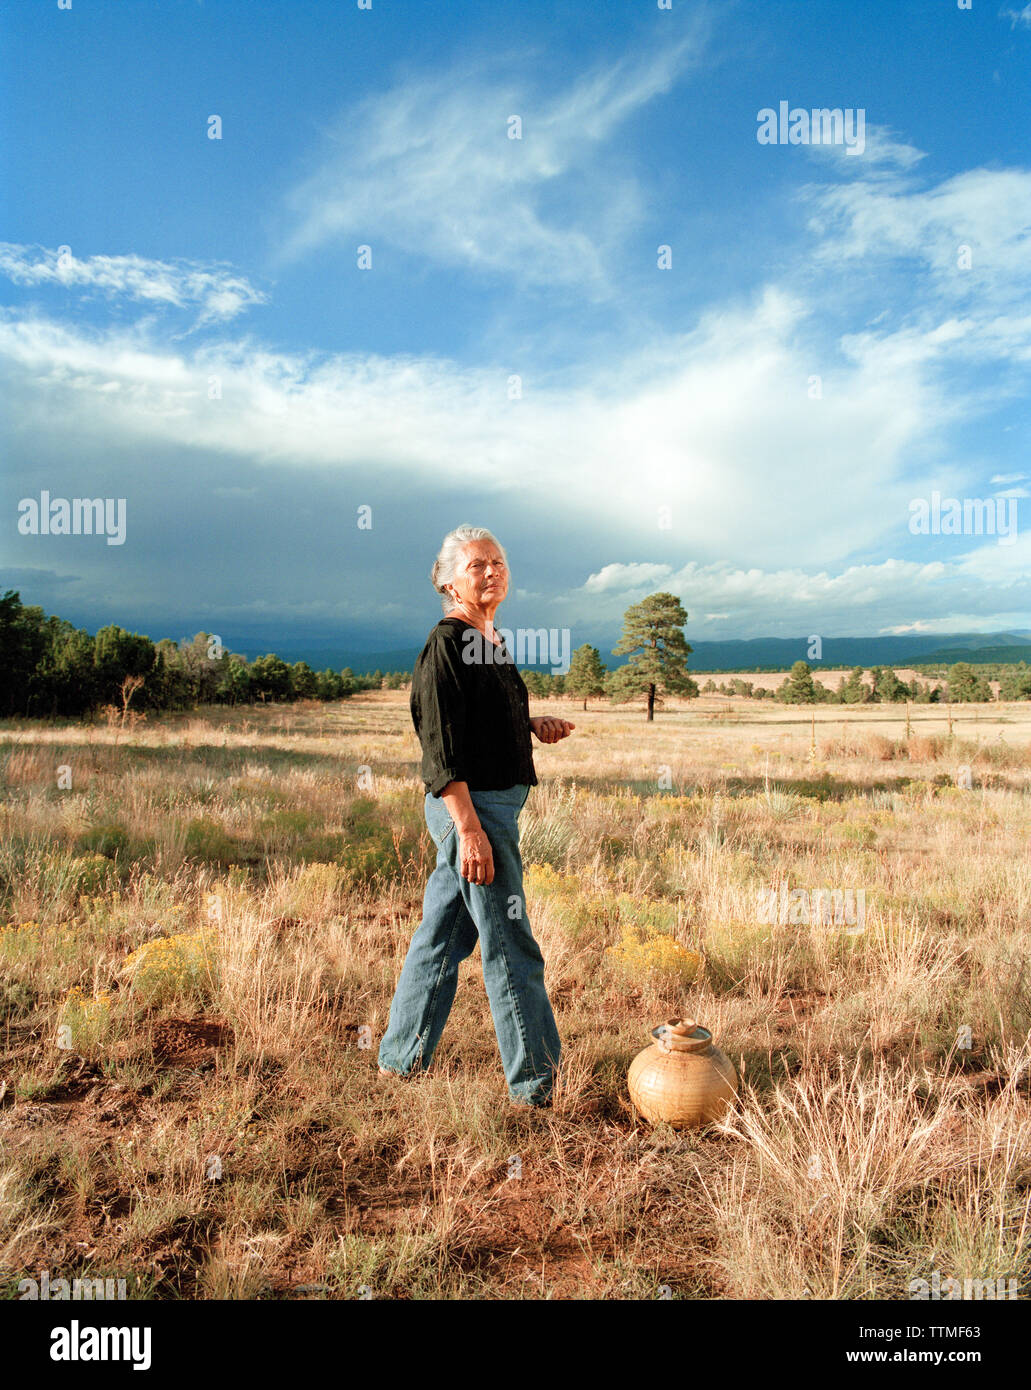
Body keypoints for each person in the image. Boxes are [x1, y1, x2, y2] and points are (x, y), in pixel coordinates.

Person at [377, 524, 574, 1107]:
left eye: (498, 563)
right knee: (510, 941)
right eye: (476, 566)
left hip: (490, 805)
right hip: (473, 811)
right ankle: (537, 1087)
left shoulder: (487, 639)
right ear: (447, 580)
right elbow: (440, 751)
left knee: (442, 934)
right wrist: (469, 831)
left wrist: (531, 726)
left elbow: (478, 726)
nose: (492, 572)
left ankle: (399, 1058)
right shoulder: (446, 645)